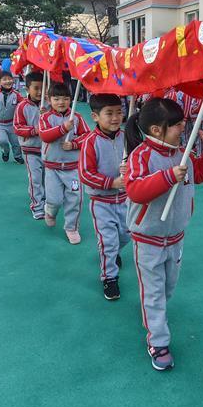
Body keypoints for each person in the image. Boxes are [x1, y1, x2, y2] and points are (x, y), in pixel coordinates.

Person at [124, 97, 203, 371]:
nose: (182, 129)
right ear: (156, 130)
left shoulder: (183, 152)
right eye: (177, 125)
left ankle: (154, 316)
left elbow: (198, 174)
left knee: (167, 288)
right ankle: (158, 340)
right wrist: (167, 177)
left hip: (176, 237)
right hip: (148, 239)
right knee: (154, 292)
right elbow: (135, 190)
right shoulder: (140, 156)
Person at [79, 94, 129, 301]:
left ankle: (113, 252)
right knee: (108, 242)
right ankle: (109, 277)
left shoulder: (127, 136)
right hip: (101, 202)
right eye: (109, 113)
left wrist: (132, 169)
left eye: (119, 112)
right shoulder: (90, 142)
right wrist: (112, 182)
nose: (116, 117)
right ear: (95, 116)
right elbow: (85, 174)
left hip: (126, 200)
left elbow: (139, 160)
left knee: (126, 235)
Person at [39, 82, 90, 244]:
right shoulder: (45, 117)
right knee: (54, 199)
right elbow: (45, 136)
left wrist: (74, 144)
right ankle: (50, 211)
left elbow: (88, 137)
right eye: (57, 98)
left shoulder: (77, 118)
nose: (61, 102)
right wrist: (63, 128)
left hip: (73, 168)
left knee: (75, 198)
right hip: (52, 168)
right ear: (49, 99)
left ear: (71, 100)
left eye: (66, 98)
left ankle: (71, 227)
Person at [13, 72, 47, 220]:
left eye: (43, 88)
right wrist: (34, 130)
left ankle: (47, 203)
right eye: (36, 88)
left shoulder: (49, 104)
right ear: (27, 89)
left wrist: (47, 115)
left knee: (48, 180)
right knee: (35, 179)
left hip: (48, 150)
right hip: (30, 150)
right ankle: (37, 206)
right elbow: (17, 127)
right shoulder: (22, 106)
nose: (40, 92)